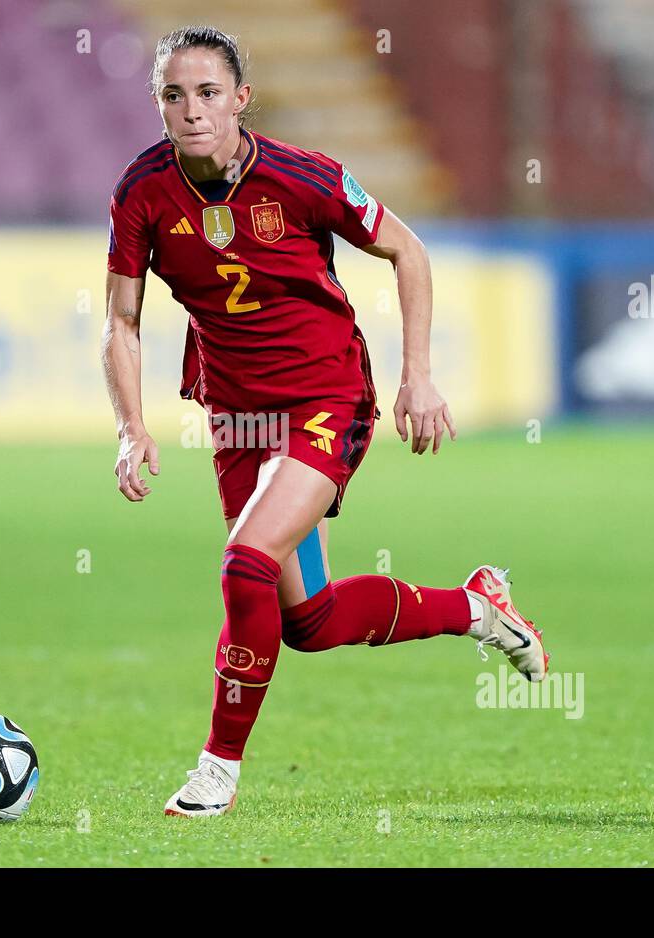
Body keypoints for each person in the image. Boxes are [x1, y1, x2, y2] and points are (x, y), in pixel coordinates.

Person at [101, 26, 548, 818]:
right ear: (158, 104)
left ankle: (218, 770)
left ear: (242, 99)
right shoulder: (141, 192)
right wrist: (131, 427)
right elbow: (123, 323)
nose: (191, 109)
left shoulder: (304, 178)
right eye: (174, 94)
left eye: (208, 93)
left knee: (245, 561)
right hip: (235, 416)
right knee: (307, 619)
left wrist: (417, 375)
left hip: (326, 400)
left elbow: (408, 251)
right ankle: (478, 606)